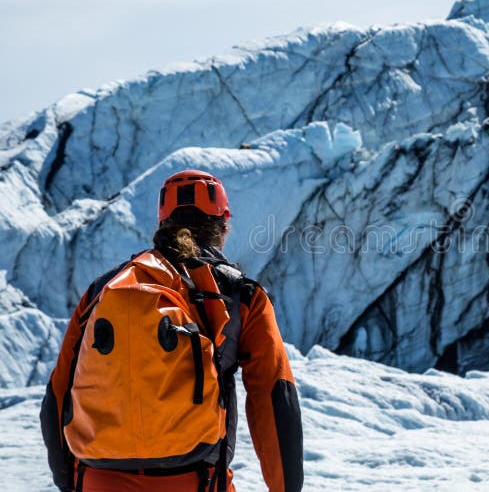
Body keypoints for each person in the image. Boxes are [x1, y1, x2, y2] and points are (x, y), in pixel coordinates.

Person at [40, 170, 303, 492]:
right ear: (224, 223)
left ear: (162, 221)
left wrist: (68, 481)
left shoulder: (104, 289)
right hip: (195, 480)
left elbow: (58, 390)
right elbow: (274, 395)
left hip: (96, 478)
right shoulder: (240, 295)